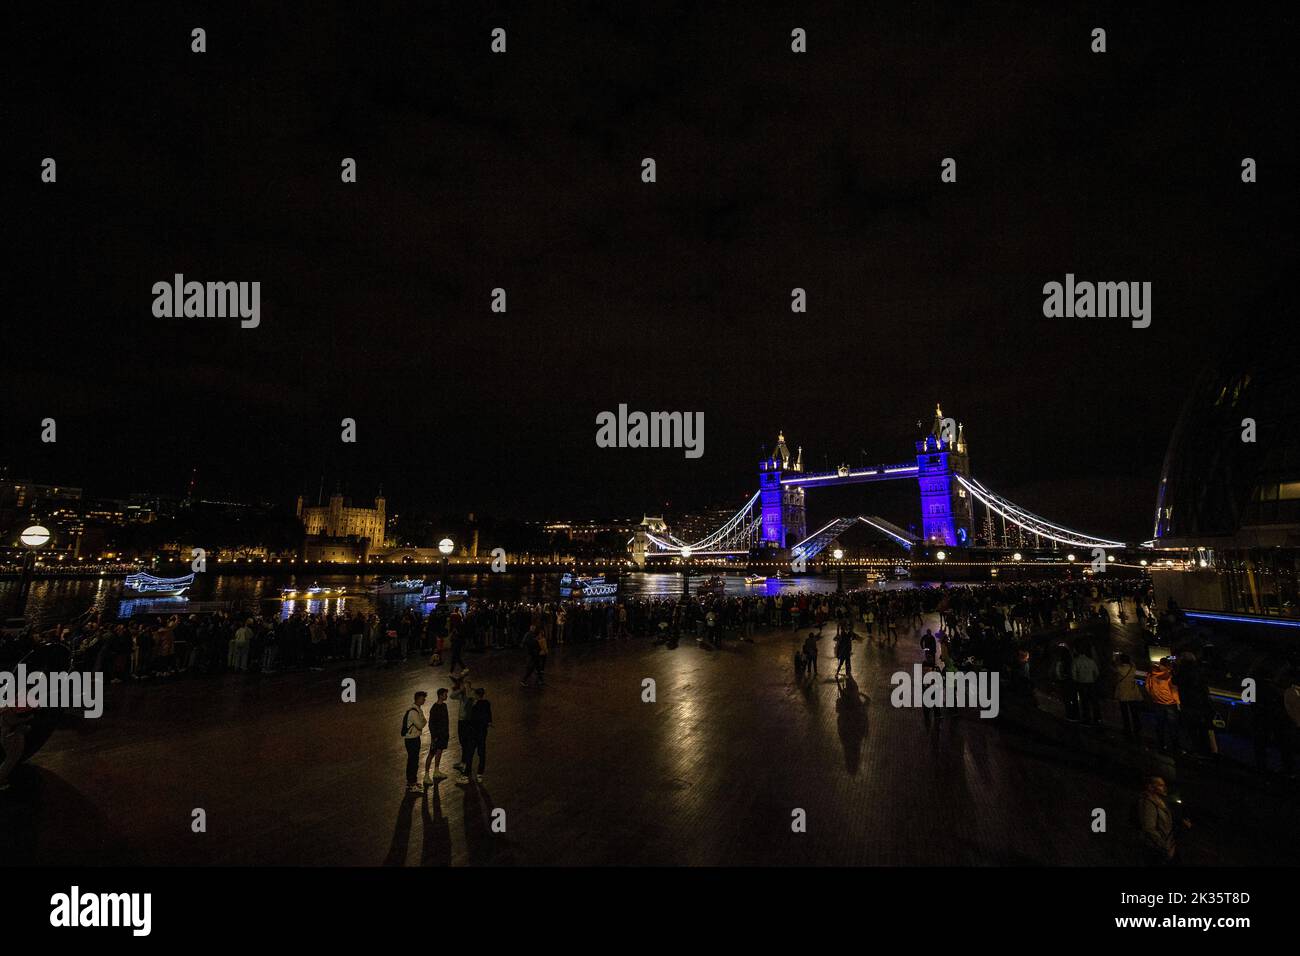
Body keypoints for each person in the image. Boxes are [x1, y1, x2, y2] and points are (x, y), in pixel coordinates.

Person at [1136, 776, 1189, 865]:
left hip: (1167, 847)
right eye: (1160, 785)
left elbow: (1165, 822)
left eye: (1164, 785)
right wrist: (1163, 846)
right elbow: (1149, 828)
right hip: (1156, 849)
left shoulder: (1161, 803)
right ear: (1151, 787)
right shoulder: (1148, 803)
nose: (1164, 788)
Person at [461, 687, 493, 783]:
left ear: (476, 695)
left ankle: (466, 775)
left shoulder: (474, 706)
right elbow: (489, 715)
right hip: (483, 733)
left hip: (473, 733)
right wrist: (489, 722)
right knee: (482, 753)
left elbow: (468, 717)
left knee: (469, 753)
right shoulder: (487, 703)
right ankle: (480, 774)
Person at [1113, 653, 1143, 740]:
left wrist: (1115, 660)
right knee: (1134, 711)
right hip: (1132, 692)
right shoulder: (1133, 668)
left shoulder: (1119, 669)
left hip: (1122, 693)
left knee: (1124, 712)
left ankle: (1127, 728)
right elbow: (1133, 664)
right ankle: (1137, 727)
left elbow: (1113, 667)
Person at [401, 691, 428, 793]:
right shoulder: (413, 712)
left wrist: (421, 722)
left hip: (415, 738)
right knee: (412, 761)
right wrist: (421, 722)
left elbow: (424, 721)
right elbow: (421, 725)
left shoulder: (418, 709)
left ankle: (413, 782)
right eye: (422, 698)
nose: (424, 700)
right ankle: (411, 784)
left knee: (414, 761)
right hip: (411, 739)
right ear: (417, 699)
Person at [424, 688, 451, 785]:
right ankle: (426, 775)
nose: (446, 696)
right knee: (431, 753)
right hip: (436, 736)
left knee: (439, 752)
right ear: (440, 695)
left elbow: (446, 721)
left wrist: (446, 733)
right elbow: (431, 724)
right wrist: (434, 736)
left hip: (443, 735)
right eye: (445, 694)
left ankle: (436, 771)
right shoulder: (434, 708)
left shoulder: (444, 705)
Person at [1071, 644, 1101, 725]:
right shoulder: (1091, 661)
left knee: (1084, 702)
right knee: (1094, 701)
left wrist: (1078, 680)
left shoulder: (1075, 661)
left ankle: (1087, 719)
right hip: (1091, 683)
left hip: (1081, 684)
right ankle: (1097, 718)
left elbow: (1073, 675)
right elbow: (1097, 673)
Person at [451, 673, 473, 773]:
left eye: (465, 686)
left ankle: (466, 764)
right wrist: (460, 690)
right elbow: (451, 696)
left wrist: (464, 690)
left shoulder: (471, 697)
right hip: (461, 722)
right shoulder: (462, 696)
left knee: (466, 743)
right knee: (462, 742)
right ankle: (463, 762)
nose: (464, 687)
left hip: (467, 722)